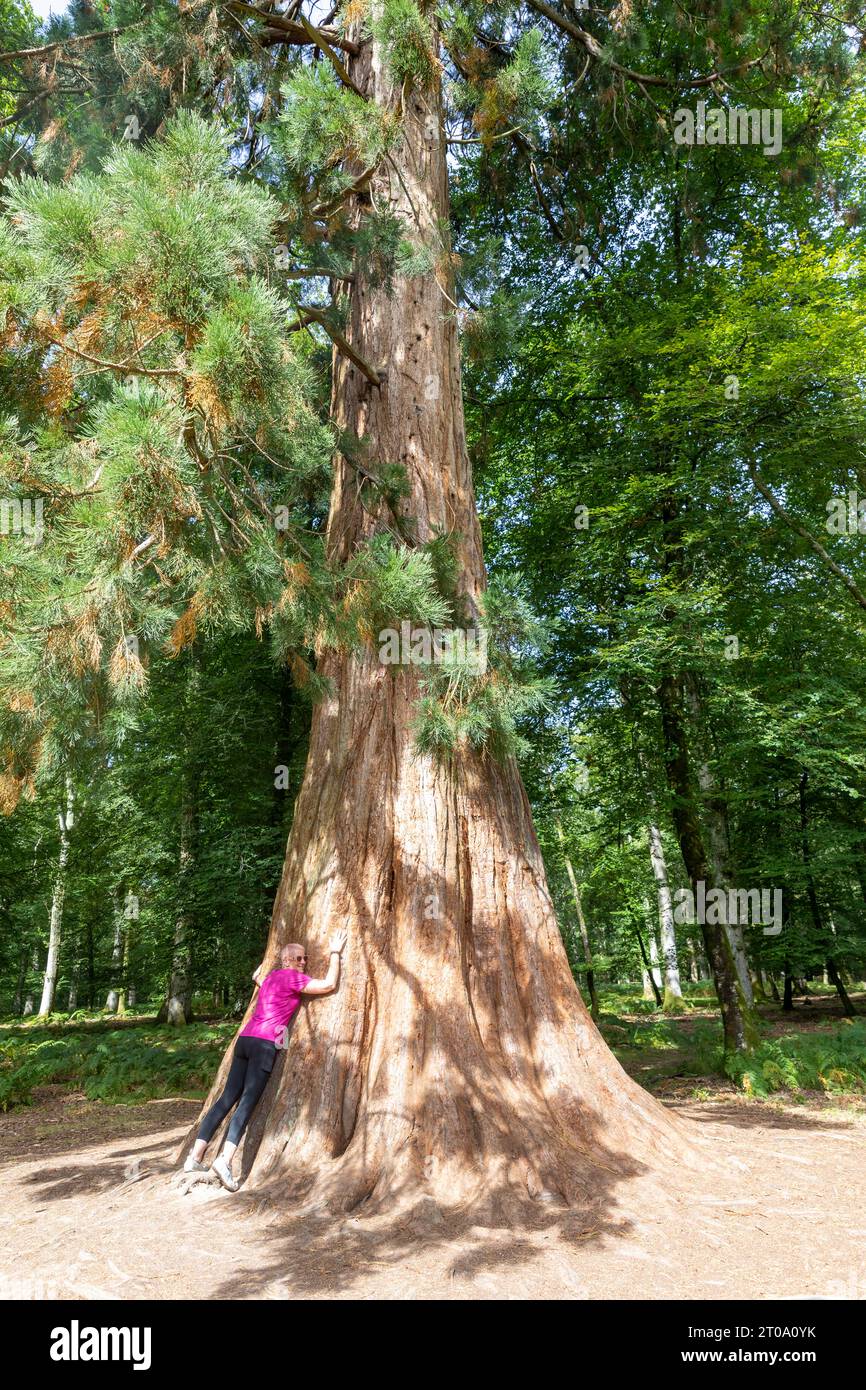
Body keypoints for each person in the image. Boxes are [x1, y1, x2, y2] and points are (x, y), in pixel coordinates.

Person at [184, 930, 347, 1191]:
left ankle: (195, 1157)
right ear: (287, 960)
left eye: (305, 958)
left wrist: (260, 970)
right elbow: (328, 985)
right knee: (247, 1102)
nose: (304, 962)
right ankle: (224, 1161)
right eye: (299, 958)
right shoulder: (294, 978)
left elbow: (257, 978)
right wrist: (336, 953)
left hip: (245, 1040)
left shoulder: (271, 978)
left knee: (227, 1098)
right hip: (264, 1044)